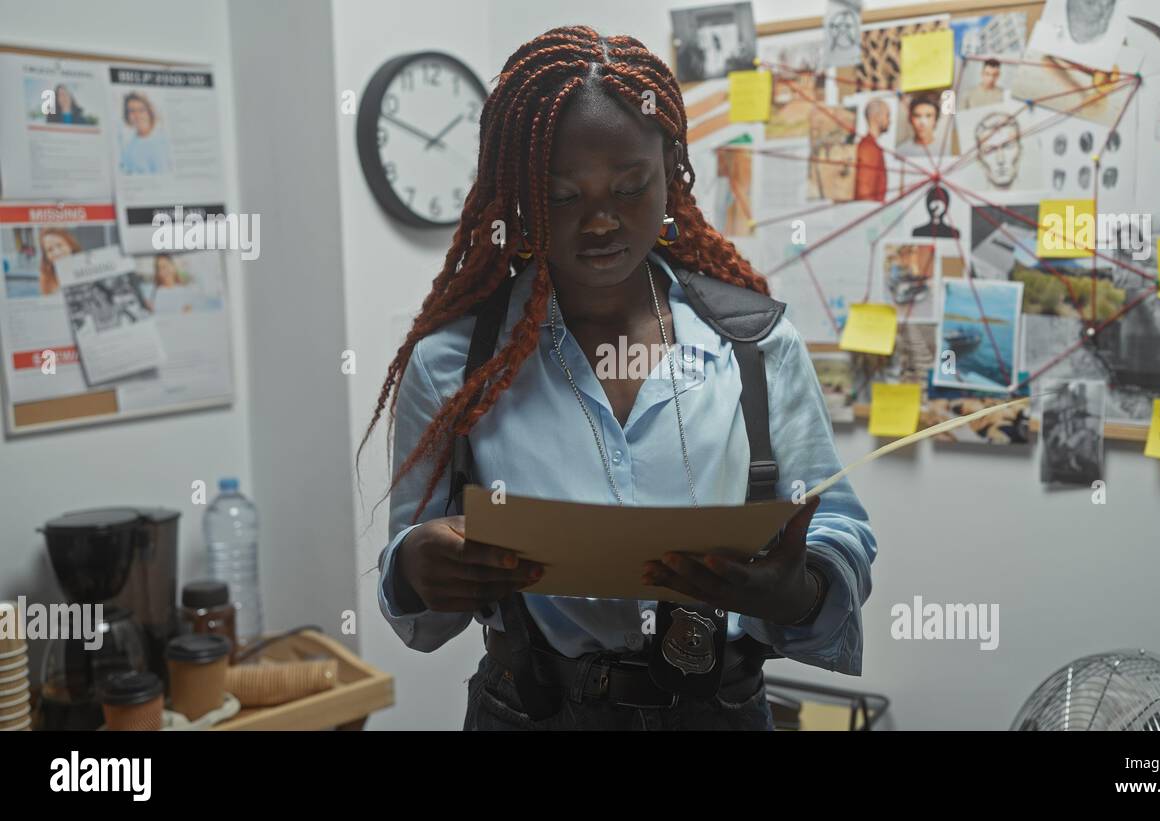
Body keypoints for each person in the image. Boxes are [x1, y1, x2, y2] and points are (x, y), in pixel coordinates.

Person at [361, 25, 876, 731]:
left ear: (671, 168)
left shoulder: (754, 345)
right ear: (520, 197)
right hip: (534, 710)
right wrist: (417, 567)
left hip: (718, 708)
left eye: (630, 186)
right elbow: (420, 613)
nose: (601, 221)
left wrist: (797, 590)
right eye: (563, 196)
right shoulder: (455, 365)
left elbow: (839, 530)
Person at [119, 92, 173, 175]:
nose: (137, 115)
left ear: (149, 113)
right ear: (127, 116)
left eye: (141, 110)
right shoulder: (128, 146)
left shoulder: (163, 141)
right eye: (132, 111)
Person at [854, 98, 891, 201]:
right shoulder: (869, 148)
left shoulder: (871, 146)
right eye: (887, 115)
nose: (889, 121)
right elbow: (865, 191)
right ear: (877, 117)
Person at [37, 227, 82, 296]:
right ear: (46, 257)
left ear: (70, 245)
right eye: (50, 250)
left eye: (60, 245)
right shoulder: (46, 280)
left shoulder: (88, 268)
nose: (57, 253)